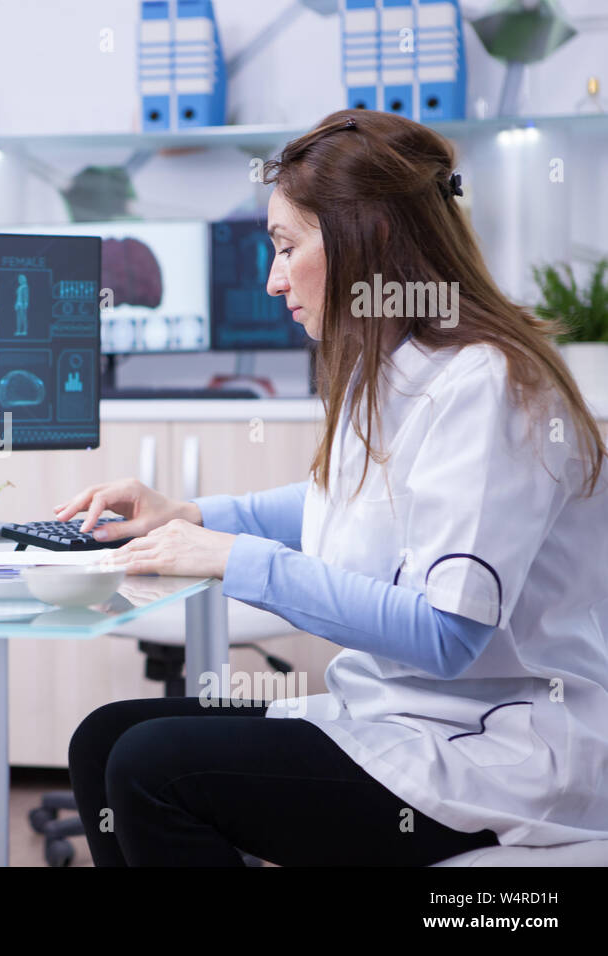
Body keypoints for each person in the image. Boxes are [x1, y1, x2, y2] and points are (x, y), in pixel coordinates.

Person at [59, 110, 608, 866]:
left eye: (287, 247)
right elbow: (341, 501)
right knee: (105, 739)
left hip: (496, 751)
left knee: (152, 769)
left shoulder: (490, 386)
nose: (272, 278)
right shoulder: (385, 365)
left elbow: (448, 637)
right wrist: (187, 514)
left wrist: (234, 557)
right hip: (399, 718)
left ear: (373, 238)